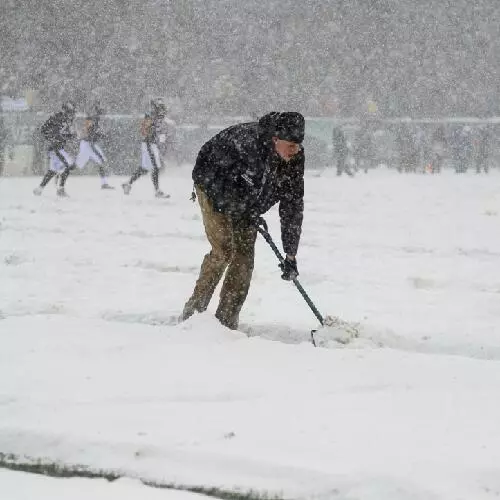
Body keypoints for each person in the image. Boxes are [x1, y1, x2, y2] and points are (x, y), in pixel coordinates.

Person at [181, 111, 305, 330]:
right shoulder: (247, 144)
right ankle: (193, 313)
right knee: (224, 251)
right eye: (291, 146)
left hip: (249, 203)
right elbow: (213, 176)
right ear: (276, 139)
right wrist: (240, 208)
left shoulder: (293, 157)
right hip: (212, 189)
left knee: (244, 258)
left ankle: (226, 322)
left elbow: (292, 203)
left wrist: (290, 253)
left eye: (298, 146)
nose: (295, 151)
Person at [121, 98, 169, 198]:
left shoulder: (157, 116)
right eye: (160, 107)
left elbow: (156, 129)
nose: (162, 110)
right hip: (148, 144)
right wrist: (154, 133)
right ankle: (157, 191)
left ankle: (128, 183)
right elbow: (145, 130)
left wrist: (158, 135)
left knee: (145, 169)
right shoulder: (151, 116)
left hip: (151, 144)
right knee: (155, 167)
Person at [33, 101, 77, 197]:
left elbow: (63, 134)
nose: (71, 114)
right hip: (56, 148)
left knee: (53, 170)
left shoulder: (65, 119)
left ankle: (39, 189)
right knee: (69, 165)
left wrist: (70, 136)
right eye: (70, 112)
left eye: (72, 112)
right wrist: (52, 138)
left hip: (56, 148)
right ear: (65, 111)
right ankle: (60, 189)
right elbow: (44, 129)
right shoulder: (57, 118)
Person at [75, 102, 114, 188]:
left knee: (100, 161)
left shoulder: (95, 119)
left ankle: (104, 183)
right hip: (87, 144)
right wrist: (100, 136)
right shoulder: (90, 119)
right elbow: (89, 134)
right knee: (77, 165)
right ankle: (62, 172)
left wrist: (102, 135)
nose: (102, 113)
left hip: (91, 143)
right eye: (100, 110)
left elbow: (95, 133)